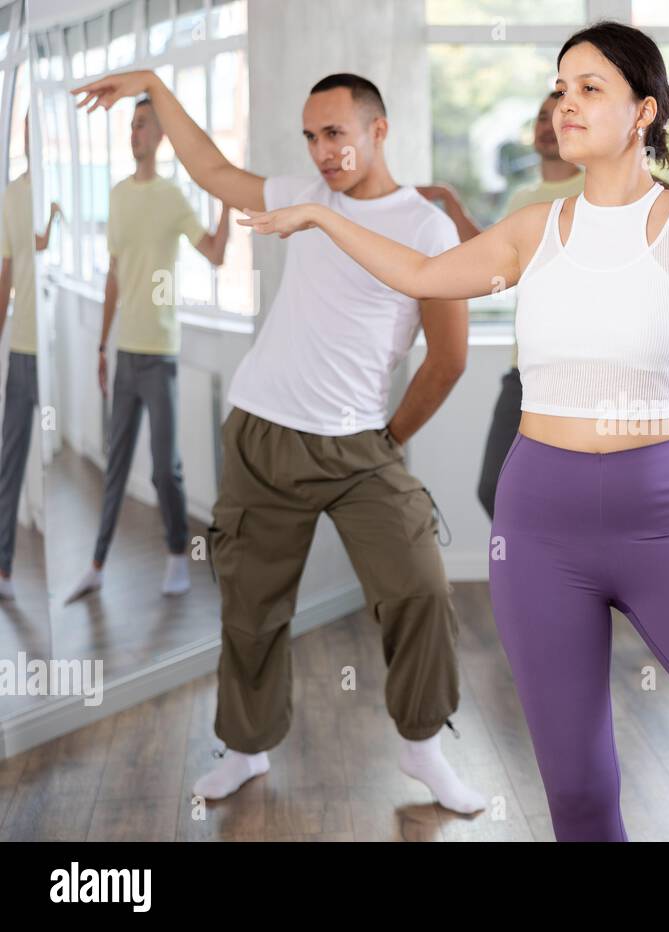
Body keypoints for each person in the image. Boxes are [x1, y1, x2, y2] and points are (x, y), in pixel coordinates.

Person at [235, 21, 669, 842]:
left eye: (591, 87)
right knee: (582, 790)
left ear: (644, 111)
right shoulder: (535, 232)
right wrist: (321, 216)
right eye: (561, 87)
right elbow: (419, 274)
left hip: (664, 515)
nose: (567, 103)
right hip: (539, 528)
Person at [72, 70, 485, 813]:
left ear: (376, 130)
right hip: (263, 430)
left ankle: (422, 746)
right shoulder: (305, 195)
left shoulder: (427, 227)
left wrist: (388, 439)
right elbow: (210, 170)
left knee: (421, 586)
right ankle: (247, 745)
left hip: (361, 448)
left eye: (336, 134)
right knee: (251, 605)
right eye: (311, 136)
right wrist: (155, 85)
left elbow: (450, 359)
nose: (323, 151)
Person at [66, 95, 230, 602]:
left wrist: (226, 199)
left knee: (164, 467)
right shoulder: (116, 196)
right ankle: (96, 563)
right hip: (125, 353)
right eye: (131, 125)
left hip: (160, 354)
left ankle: (178, 555)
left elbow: (216, 255)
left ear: (160, 136)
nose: (133, 132)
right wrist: (100, 345)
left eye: (142, 125)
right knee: (115, 464)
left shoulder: (173, 197)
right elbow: (114, 275)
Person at [418, 91, 584, 519]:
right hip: (524, 372)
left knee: (576, 495)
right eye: (541, 117)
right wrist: (451, 204)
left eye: (558, 116)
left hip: (582, 373)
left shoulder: (596, 190)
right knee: (495, 488)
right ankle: (540, 575)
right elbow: (489, 259)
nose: (547, 125)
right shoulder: (522, 199)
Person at [0, 115, 60, 601]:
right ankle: (3, 565)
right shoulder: (13, 195)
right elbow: (7, 275)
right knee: (14, 455)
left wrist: (56, 219)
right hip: (24, 349)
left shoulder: (28, 194)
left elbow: (31, 252)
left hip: (43, 349)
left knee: (33, 453)